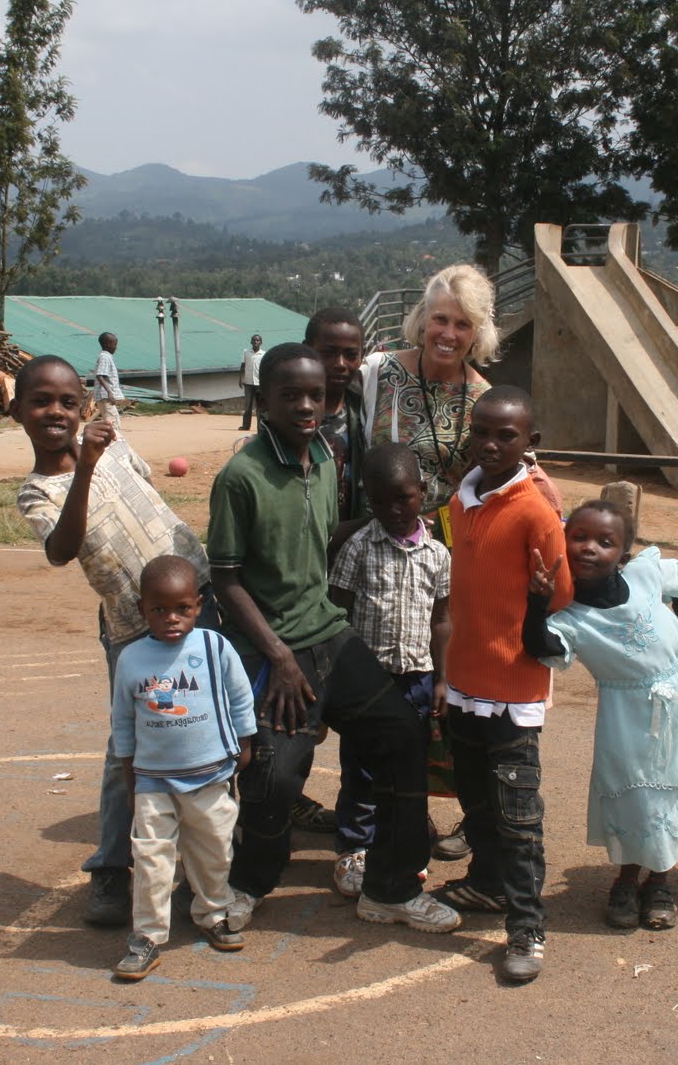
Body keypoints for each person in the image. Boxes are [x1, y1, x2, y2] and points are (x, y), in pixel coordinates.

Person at [207, 343, 460, 935]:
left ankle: (391, 889)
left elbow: (321, 539)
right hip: (275, 649)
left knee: (402, 735)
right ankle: (247, 884)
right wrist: (279, 657)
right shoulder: (241, 476)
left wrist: (398, 520)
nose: (304, 405)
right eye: (289, 394)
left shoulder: (323, 458)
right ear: (262, 400)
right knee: (272, 775)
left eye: (315, 395)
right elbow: (225, 578)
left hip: (330, 634)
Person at [11, 354, 215, 930]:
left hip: (200, 596)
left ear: (85, 406)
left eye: (68, 401)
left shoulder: (118, 445)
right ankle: (110, 866)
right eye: (41, 401)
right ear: (17, 412)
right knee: (129, 747)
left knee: (207, 721)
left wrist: (101, 454)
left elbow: (147, 496)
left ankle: (200, 862)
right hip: (132, 630)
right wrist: (85, 468)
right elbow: (61, 549)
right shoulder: (37, 491)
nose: (56, 411)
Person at [522, 500, 678, 930]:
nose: (589, 548)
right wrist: (536, 603)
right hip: (628, 716)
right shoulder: (569, 617)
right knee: (639, 795)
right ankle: (625, 879)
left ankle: (659, 880)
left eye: (605, 543)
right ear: (561, 543)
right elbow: (541, 647)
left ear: (622, 556)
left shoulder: (642, 573)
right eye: (579, 537)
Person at [438, 385, 571, 983]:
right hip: (464, 680)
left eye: (506, 436)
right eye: (482, 432)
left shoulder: (536, 508)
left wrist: (544, 593)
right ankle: (488, 885)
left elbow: (562, 593)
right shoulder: (462, 499)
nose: (490, 444)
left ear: (530, 443)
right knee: (478, 802)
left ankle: (527, 926)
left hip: (513, 687)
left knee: (519, 815)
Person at [110, 556, 257, 980]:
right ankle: (148, 937)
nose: (171, 619)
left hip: (211, 775)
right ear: (142, 609)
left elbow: (240, 697)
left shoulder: (214, 646)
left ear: (199, 604)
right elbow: (122, 718)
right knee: (152, 858)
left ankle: (213, 913)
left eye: (182, 609)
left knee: (213, 850)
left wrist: (243, 744)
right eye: (158, 609)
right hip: (153, 780)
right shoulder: (132, 659)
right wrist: (127, 765)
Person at [327, 443, 452, 897]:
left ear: (423, 491)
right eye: (380, 501)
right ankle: (355, 849)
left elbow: (441, 620)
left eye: (404, 497)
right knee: (360, 767)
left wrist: (441, 679)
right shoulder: (360, 546)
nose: (393, 509)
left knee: (408, 767)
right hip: (367, 681)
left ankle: (401, 845)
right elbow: (337, 609)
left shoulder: (438, 555)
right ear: (368, 500)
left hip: (416, 680)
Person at [357, 265, 497, 541]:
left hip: (444, 548)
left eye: (463, 324)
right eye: (440, 319)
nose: (448, 334)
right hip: (370, 542)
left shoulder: (485, 399)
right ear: (423, 319)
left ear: (477, 332)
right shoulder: (377, 373)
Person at [309, 307, 368, 521]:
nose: (340, 364)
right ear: (308, 350)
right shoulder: (290, 416)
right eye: (328, 353)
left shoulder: (365, 409)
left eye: (351, 355)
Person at [93, 332, 123, 423]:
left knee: (109, 421)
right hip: (105, 396)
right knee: (114, 422)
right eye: (114, 344)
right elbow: (100, 376)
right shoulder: (105, 357)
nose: (115, 347)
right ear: (107, 344)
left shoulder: (107, 357)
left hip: (105, 396)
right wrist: (109, 392)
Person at [237, 333, 264, 431]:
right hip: (248, 383)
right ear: (251, 342)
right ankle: (245, 425)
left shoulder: (263, 354)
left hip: (259, 384)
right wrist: (240, 379)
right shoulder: (246, 352)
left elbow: (265, 369)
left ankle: (260, 427)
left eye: (258, 340)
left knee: (260, 407)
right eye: (254, 340)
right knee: (248, 406)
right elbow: (242, 366)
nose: (256, 342)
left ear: (261, 342)